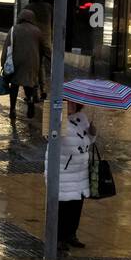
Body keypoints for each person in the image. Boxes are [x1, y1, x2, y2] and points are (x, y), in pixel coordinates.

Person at [49, 100, 96, 250]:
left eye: (73, 104)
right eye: (68, 104)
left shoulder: (82, 118)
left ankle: (71, 234)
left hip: (80, 171)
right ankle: (58, 238)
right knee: (63, 207)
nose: (71, 107)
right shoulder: (58, 119)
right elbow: (51, 139)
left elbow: (88, 140)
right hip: (65, 172)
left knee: (76, 206)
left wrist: (93, 133)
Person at [2, 8, 47, 119]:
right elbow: (44, 48)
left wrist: (3, 62)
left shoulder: (14, 30)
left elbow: (6, 47)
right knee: (29, 85)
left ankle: (12, 109)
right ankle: (30, 101)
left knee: (14, 86)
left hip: (16, 63)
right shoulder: (37, 31)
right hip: (32, 64)